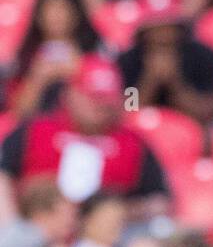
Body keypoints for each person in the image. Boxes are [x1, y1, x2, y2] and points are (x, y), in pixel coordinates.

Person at [0, 55, 170, 222]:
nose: (101, 105)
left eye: (107, 98)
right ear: (69, 93)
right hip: (35, 225)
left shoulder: (132, 143)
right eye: (93, 96)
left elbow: (159, 201)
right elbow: (3, 174)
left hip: (111, 233)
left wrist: (120, 212)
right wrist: (13, 224)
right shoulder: (36, 130)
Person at [117, 0, 213, 125]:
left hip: (190, 129)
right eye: (156, 26)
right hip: (141, 129)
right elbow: (128, 111)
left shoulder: (202, 56)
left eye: (169, 25)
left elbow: (207, 113)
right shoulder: (128, 60)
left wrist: (175, 82)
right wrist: (150, 79)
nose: (163, 34)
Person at [8, 0, 100, 118]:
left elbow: (116, 101)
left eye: (63, 8)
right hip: (39, 125)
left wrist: (79, 71)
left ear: (77, 13)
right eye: (50, 8)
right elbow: (18, 113)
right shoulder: (26, 56)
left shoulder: (97, 51)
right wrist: (38, 79)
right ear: (38, 15)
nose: (56, 15)